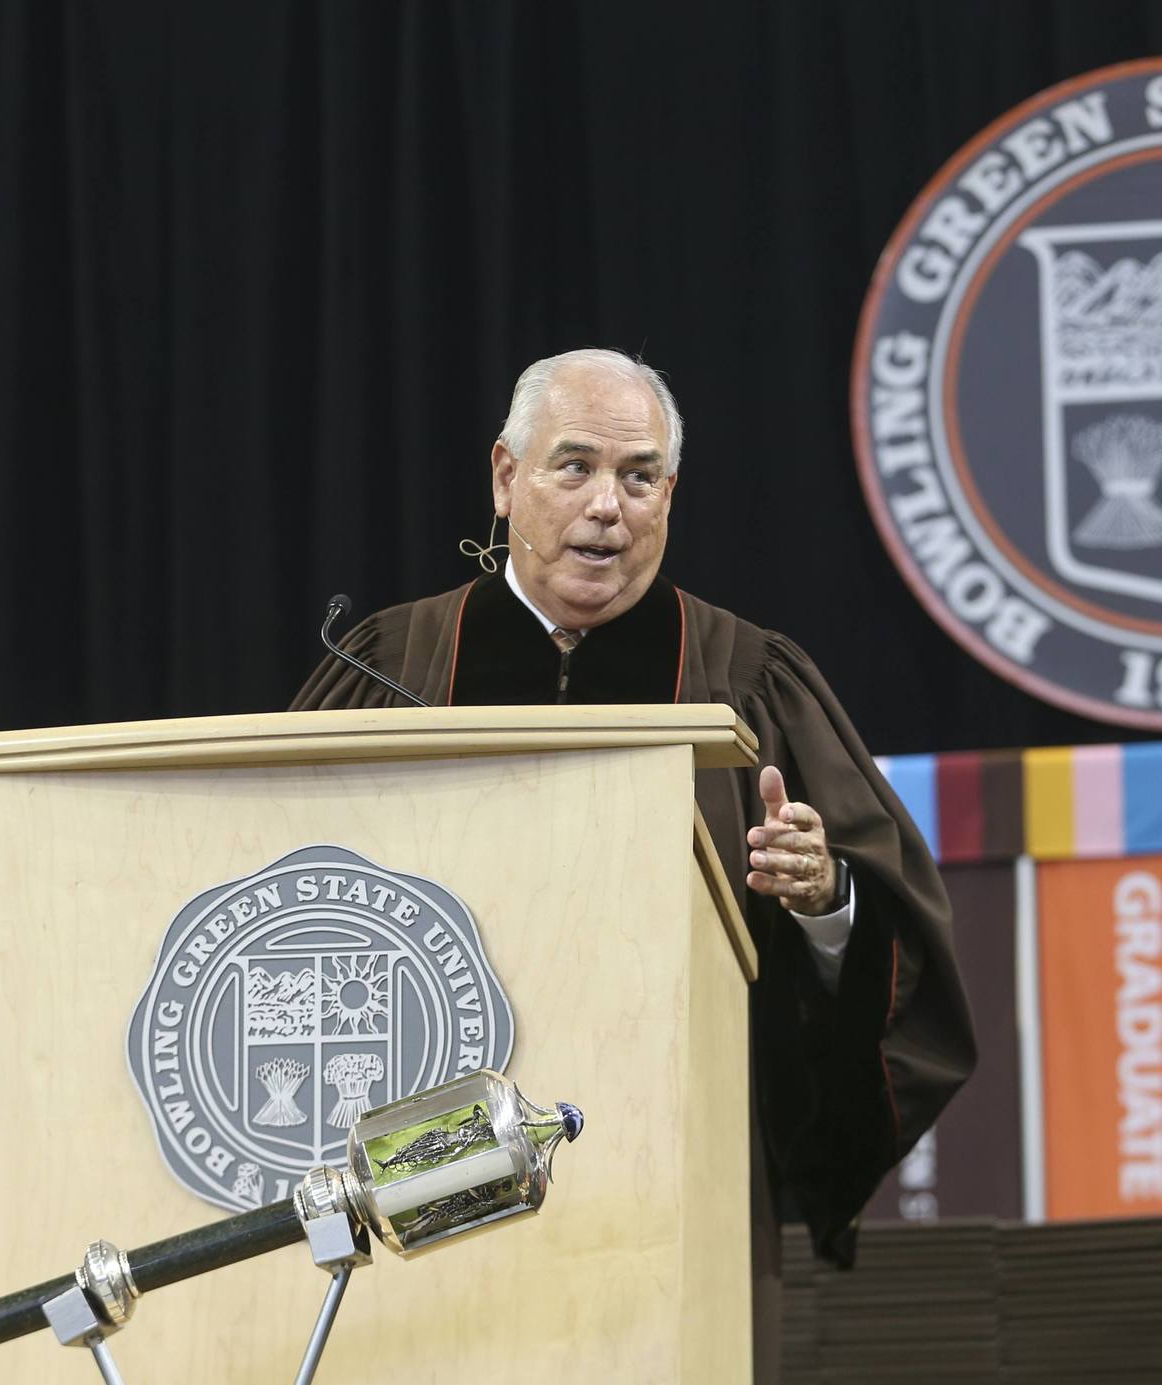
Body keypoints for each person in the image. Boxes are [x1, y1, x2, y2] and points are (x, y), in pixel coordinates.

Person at [291, 348, 975, 1381]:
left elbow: (893, 933)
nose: (607, 506)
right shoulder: (393, 670)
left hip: (670, 1161)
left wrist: (825, 899)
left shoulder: (747, 681)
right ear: (504, 478)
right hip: (415, 1155)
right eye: (575, 468)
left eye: (639, 476)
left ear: (670, 496)